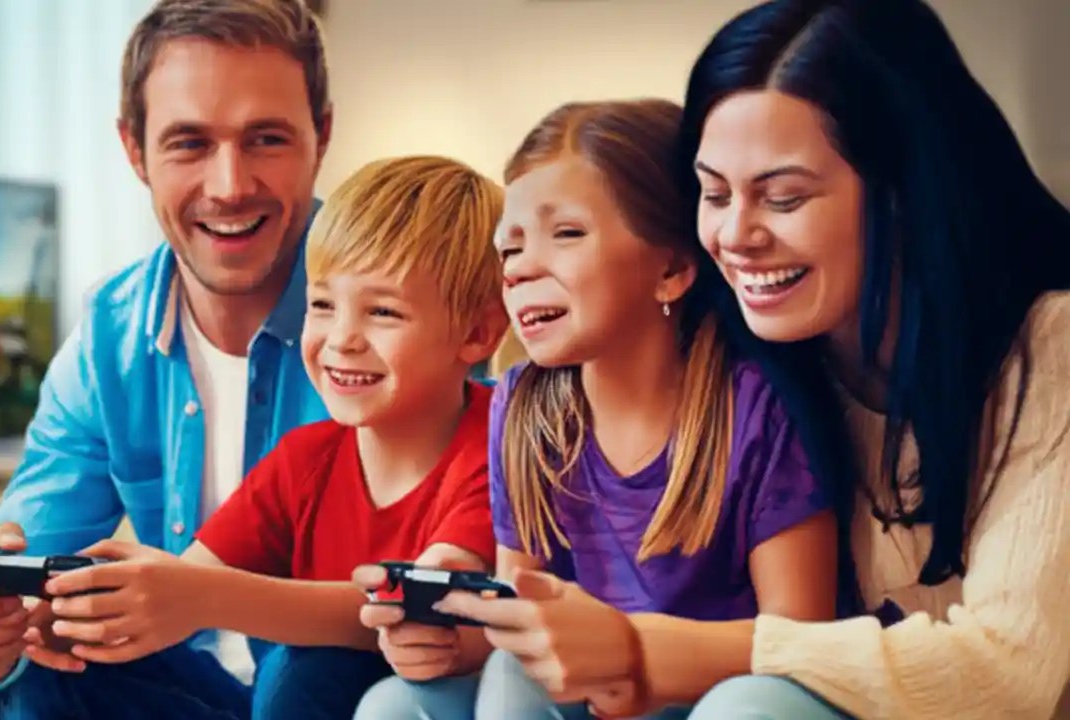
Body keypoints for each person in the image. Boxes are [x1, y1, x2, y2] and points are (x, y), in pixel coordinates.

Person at [419, 1, 1070, 718]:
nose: (732, 236)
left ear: (901, 195)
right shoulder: (767, 354)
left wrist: (648, 650)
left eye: (782, 197)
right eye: (714, 193)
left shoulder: (1048, 346)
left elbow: (1008, 672)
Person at [0, 1, 343, 718]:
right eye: (189, 143)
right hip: (182, 681)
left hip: (334, 678)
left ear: (322, 136)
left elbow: (433, 584)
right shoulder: (107, 336)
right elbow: (31, 560)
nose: (228, 185)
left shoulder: (405, 309)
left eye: (266, 139)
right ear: (134, 150)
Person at [354, 99, 839, 720]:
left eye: (566, 234)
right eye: (510, 248)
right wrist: (441, 637)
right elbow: (521, 619)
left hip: (716, 696)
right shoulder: (524, 407)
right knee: (396, 704)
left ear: (670, 267)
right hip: (590, 701)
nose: (522, 268)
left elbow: (804, 647)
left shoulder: (756, 408)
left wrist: (632, 655)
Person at [0, 154, 509, 719]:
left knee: (307, 665)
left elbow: (419, 604)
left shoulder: (498, 446)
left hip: (389, 698)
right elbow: (189, 580)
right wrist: (96, 612)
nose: (341, 339)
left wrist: (197, 596)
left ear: (478, 332)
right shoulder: (304, 458)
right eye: (322, 305)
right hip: (272, 702)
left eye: (382, 311)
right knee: (61, 667)